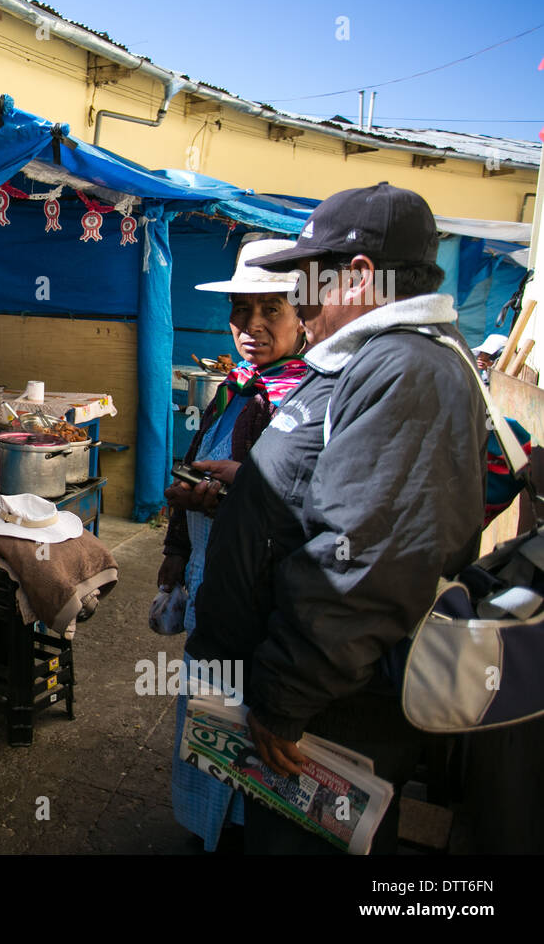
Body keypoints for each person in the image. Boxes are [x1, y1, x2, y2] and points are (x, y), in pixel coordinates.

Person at [188, 183, 487, 854]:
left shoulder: (411, 370)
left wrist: (284, 698)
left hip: (327, 713)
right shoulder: (375, 362)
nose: (298, 303)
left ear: (356, 276)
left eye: (303, 284)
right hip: (304, 696)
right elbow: (333, 494)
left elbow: (365, 563)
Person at [159, 237, 308, 852]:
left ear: (303, 317)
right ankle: (207, 832)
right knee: (207, 718)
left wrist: (223, 502)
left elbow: (296, 512)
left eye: (270, 311)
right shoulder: (239, 387)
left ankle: (233, 835)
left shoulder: (300, 403)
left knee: (244, 729)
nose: (250, 327)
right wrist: (175, 555)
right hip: (209, 588)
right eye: (241, 312)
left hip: (252, 605)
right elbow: (197, 464)